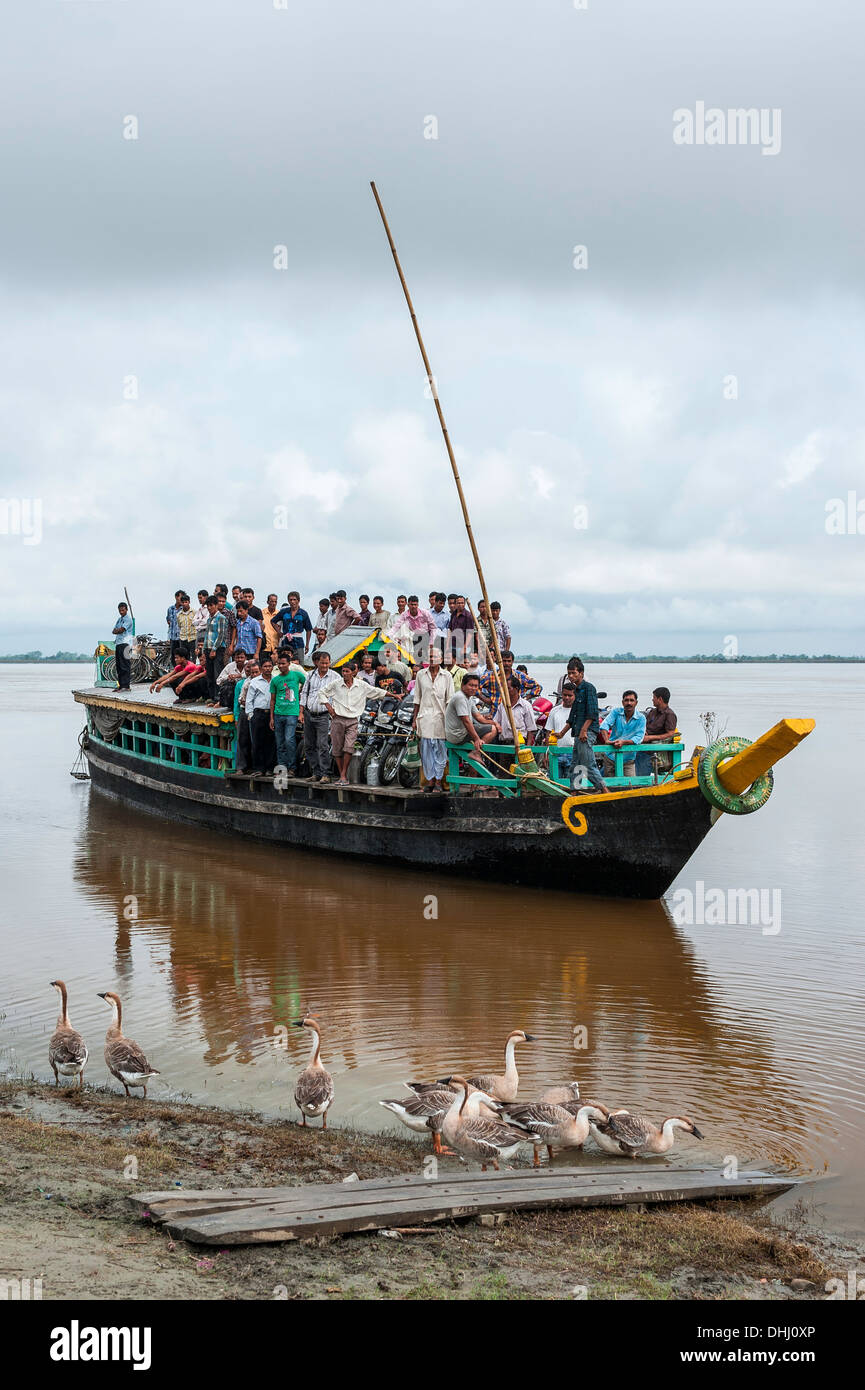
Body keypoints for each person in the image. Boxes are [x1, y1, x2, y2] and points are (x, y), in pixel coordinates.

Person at [323, 660, 384, 785]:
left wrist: (393, 695)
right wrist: (329, 707)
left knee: (349, 747)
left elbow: (376, 691)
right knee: (337, 748)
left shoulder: (361, 685)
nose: (344, 673)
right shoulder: (336, 684)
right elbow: (321, 693)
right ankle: (342, 775)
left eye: (347, 671)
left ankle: (344, 774)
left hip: (353, 720)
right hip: (337, 718)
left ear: (353, 673)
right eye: (343, 671)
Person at [411, 648, 454, 792]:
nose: (432, 659)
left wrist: (450, 722)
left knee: (440, 752)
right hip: (424, 717)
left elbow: (450, 700)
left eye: (434, 656)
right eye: (429, 656)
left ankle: (438, 781)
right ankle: (429, 781)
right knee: (426, 751)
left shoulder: (447, 676)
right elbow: (417, 698)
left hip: (441, 718)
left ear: (441, 660)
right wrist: (414, 719)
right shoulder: (421, 675)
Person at [564, 658, 607, 794]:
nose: (571, 676)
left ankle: (605, 791)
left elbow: (593, 713)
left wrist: (584, 730)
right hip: (578, 733)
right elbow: (573, 715)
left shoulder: (589, 688)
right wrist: (561, 732)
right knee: (576, 765)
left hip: (586, 732)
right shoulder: (576, 690)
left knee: (588, 764)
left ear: (581, 673)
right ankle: (574, 792)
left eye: (573, 673)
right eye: (569, 673)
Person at [269, 651, 306, 775]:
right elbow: (272, 699)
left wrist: (301, 706)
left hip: (292, 713)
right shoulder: (275, 680)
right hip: (278, 713)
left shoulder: (297, 675)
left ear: (289, 664)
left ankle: (292, 768)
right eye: (279, 664)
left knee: (289, 740)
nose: (280, 666)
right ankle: (282, 768)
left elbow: (307, 685)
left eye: (283, 664)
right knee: (279, 742)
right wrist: (271, 717)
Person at [300, 649, 334, 781]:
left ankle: (326, 774)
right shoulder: (310, 675)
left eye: (326, 663)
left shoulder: (335, 677)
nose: (324, 666)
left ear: (329, 663)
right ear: (317, 663)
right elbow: (304, 693)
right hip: (309, 713)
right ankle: (316, 772)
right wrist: (301, 712)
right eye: (322, 663)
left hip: (324, 715)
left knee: (323, 745)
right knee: (309, 745)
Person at [478, 649, 541, 718]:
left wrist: (525, 698)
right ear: (499, 662)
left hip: (516, 715)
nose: (506, 663)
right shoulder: (490, 676)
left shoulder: (519, 676)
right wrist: (487, 700)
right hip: (496, 715)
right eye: (504, 661)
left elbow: (538, 687)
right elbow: (475, 687)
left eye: (509, 661)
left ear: (512, 662)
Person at [598, 690, 646, 778]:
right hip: (610, 757)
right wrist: (607, 740)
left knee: (630, 785)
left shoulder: (641, 718)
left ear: (636, 702)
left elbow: (639, 737)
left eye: (632, 700)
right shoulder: (616, 712)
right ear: (622, 702)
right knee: (610, 785)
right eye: (626, 700)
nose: (629, 703)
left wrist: (623, 742)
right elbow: (605, 725)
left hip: (628, 759)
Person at [444, 670, 492, 752]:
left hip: (462, 732)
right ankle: (476, 753)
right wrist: (476, 739)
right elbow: (466, 721)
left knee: (493, 726)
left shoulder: (469, 697)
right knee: (493, 729)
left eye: (476, 686)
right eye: (471, 685)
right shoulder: (460, 697)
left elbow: (478, 717)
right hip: (457, 735)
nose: (474, 688)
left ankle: (474, 756)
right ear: (463, 685)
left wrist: (495, 723)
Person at [635, 687, 677, 777]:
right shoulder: (652, 712)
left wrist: (650, 738)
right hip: (641, 745)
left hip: (654, 751)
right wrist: (643, 731)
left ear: (660, 699)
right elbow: (644, 724)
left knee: (641, 768)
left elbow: (670, 734)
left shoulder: (670, 714)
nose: (652, 699)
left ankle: (639, 783)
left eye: (654, 697)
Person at [244, 656, 276, 774]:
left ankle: (270, 768)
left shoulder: (276, 680)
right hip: (258, 714)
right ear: (261, 668)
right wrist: (251, 715)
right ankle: (258, 768)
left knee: (271, 742)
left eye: (269, 666)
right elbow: (249, 700)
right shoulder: (254, 682)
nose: (268, 669)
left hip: (271, 714)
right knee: (257, 742)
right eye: (265, 666)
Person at [490, 677, 537, 748]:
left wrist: (528, 747)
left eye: (508, 688)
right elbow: (496, 721)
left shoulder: (525, 705)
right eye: (504, 689)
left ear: (516, 689)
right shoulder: (502, 705)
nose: (506, 691)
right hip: (504, 744)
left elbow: (531, 729)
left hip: (520, 744)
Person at [545, 682, 576, 779]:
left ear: (575, 695)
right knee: (554, 784)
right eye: (565, 695)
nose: (567, 698)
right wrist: (546, 754)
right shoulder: (554, 711)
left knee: (573, 785)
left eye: (570, 695)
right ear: (561, 695)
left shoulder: (579, 712)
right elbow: (548, 733)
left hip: (573, 753)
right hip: (556, 753)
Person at [202, 595, 230, 701]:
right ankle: (212, 697)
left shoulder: (221, 618)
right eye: (207, 606)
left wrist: (214, 649)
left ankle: (219, 698)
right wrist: (204, 650)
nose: (209, 608)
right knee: (209, 674)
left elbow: (221, 635)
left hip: (218, 649)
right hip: (208, 648)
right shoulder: (209, 619)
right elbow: (207, 636)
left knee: (217, 674)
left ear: (216, 605)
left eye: (211, 605)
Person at [276, 591, 313, 657]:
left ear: (298, 600)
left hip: (298, 642)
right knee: (285, 660)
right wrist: (279, 632)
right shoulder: (284, 612)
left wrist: (307, 644)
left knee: (300, 662)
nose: (292, 601)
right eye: (291, 600)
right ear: (288, 601)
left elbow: (308, 629)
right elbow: (273, 621)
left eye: (294, 599)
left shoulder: (303, 613)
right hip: (286, 641)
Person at [112, 602, 135, 690]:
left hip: (126, 644)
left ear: (126, 609)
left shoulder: (128, 619)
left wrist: (117, 630)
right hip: (118, 643)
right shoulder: (119, 620)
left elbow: (121, 630)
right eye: (120, 610)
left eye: (123, 610)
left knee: (125, 665)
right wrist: (117, 630)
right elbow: (113, 630)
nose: (121, 612)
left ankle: (126, 686)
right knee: (119, 666)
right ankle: (121, 685)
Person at [260, 593, 282, 658]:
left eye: (275, 601)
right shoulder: (261, 613)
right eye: (272, 601)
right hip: (265, 646)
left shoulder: (279, 614)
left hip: (276, 646)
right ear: (267, 602)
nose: (273, 603)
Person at [176, 593, 196, 658]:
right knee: (184, 657)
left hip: (193, 638)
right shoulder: (179, 615)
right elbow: (179, 626)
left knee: (194, 656)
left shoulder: (194, 612)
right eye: (183, 602)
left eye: (186, 602)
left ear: (189, 602)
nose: (184, 604)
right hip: (183, 638)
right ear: (181, 603)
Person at [166, 590, 183, 662]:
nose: (181, 600)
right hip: (172, 636)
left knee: (182, 656)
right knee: (173, 656)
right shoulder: (170, 609)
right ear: (176, 597)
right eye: (180, 598)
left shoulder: (183, 609)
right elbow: (168, 620)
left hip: (181, 636)